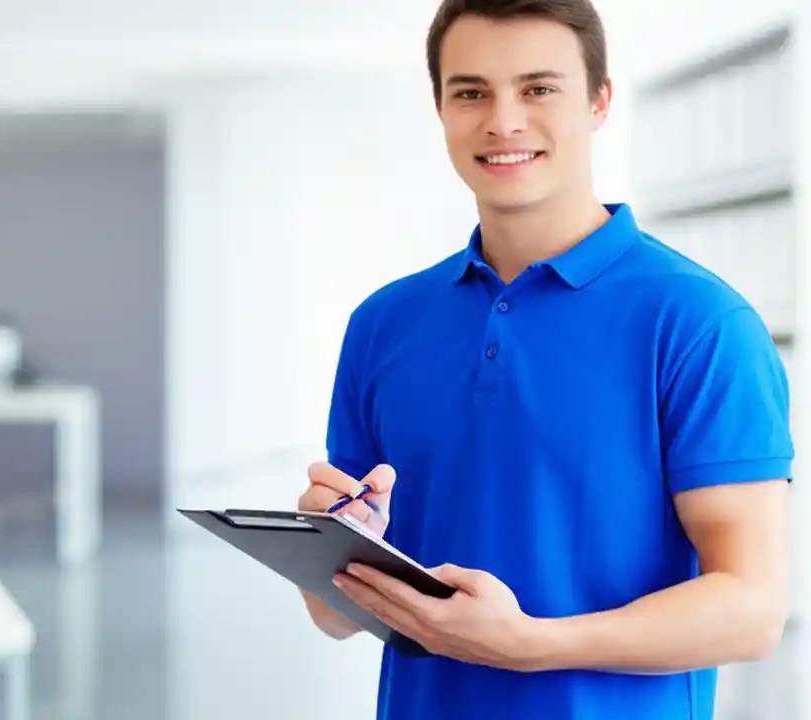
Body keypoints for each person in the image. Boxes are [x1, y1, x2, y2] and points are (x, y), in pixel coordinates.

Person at [297, 1, 792, 719]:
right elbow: (335, 617)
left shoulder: (698, 324)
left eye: (538, 88)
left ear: (599, 101)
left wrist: (531, 644)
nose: (503, 120)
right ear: (439, 108)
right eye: (471, 92)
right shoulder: (383, 325)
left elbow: (750, 609)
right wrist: (334, 550)